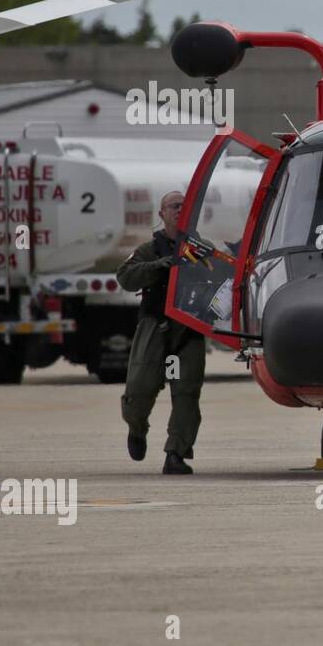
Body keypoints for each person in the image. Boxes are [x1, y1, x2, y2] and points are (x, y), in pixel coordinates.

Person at [116, 191, 205, 475]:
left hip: (187, 333)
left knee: (186, 394)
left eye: (184, 205)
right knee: (140, 389)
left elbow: (223, 281)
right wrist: (156, 267)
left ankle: (176, 454)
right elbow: (125, 277)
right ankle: (137, 428)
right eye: (174, 206)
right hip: (155, 328)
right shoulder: (148, 251)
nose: (180, 210)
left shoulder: (202, 250)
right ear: (162, 213)